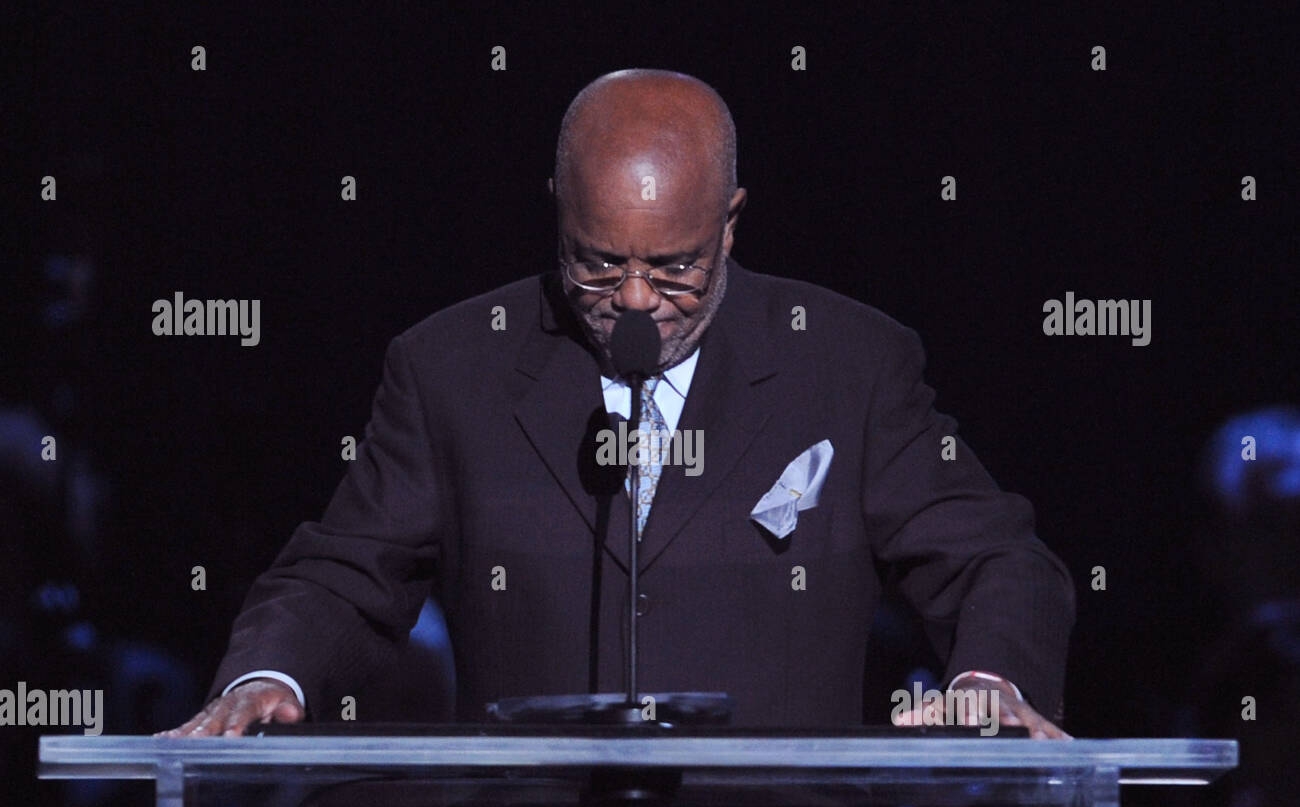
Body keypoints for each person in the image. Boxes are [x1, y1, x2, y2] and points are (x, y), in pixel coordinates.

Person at [163, 69, 1075, 739]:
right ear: (559, 211)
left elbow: (1000, 560)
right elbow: (342, 573)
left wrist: (989, 679)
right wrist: (266, 673)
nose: (635, 299)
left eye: (675, 267)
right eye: (599, 262)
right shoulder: (449, 370)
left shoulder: (849, 365)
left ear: (731, 222)